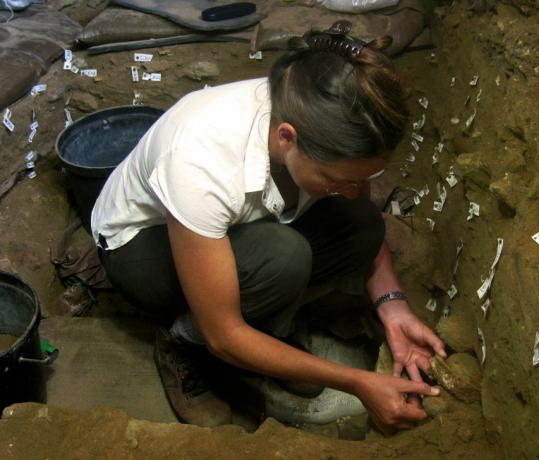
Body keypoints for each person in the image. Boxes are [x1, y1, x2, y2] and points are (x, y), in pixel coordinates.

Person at [91, 21, 446, 435]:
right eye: (338, 179)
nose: (351, 191)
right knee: (283, 257)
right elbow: (223, 334)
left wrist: (393, 307)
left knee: (364, 227)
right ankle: (182, 343)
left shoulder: (323, 116)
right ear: (286, 138)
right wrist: (357, 382)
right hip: (140, 246)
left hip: (241, 224)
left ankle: (270, 323)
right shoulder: (200, 160)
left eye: (361, 177)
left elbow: (357, 205)